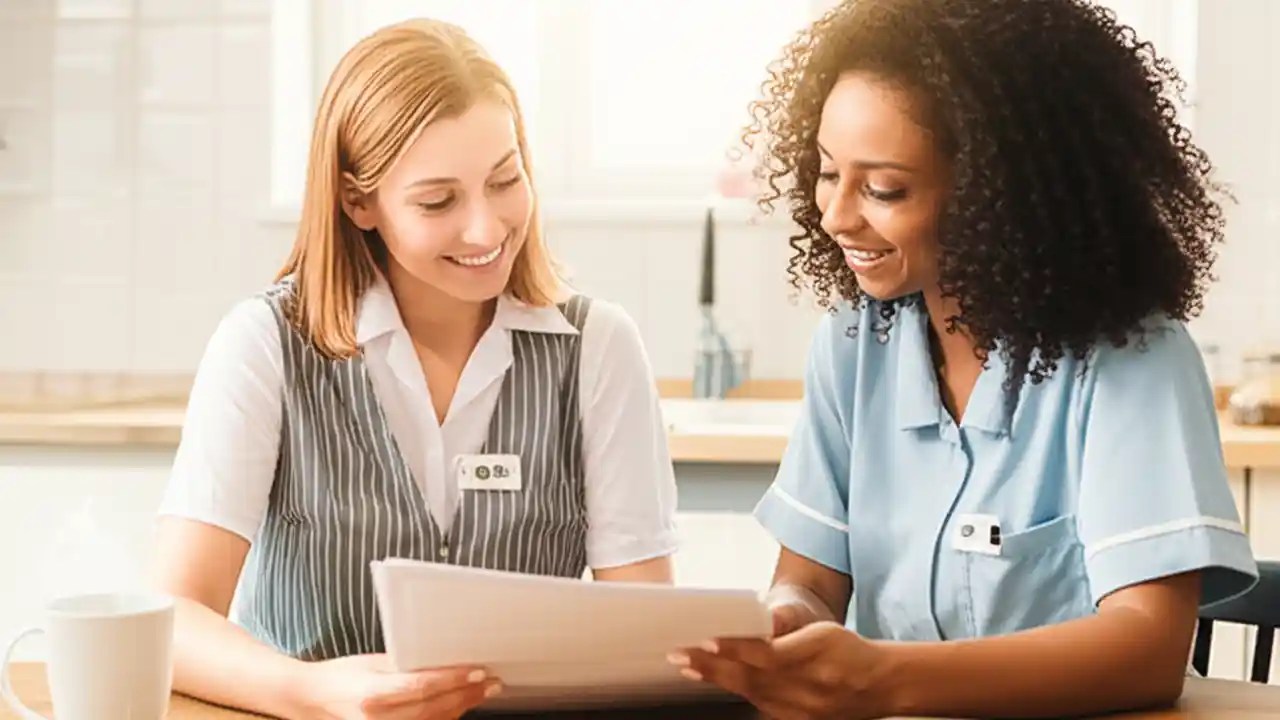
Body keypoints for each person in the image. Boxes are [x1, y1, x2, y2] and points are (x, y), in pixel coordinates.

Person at [671, 0, 1258, 717]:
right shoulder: (854, 343)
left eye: (884, 189)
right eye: (827, 172)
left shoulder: (1130, 360)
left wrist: (883, 677)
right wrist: (784, 621)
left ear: (996, 192)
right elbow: (814, 583)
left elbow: (1147, 649)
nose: (835, 215)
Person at [153, 19, 678, 720]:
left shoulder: (597, 348)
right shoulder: (266, 344)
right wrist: (312, 692)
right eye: (438, 201)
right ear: (358, 201)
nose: (486, 229)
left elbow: (645, 634)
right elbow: (174, 619)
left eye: (505, 180)